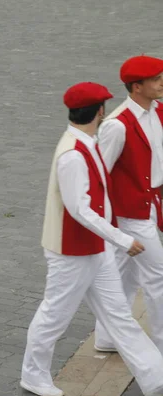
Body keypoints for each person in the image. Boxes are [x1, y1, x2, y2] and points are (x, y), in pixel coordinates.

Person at [21, 82, 163, 396]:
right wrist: (122, 238)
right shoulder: (73, 154)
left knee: (118, 315)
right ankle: (33, 374)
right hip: (71, 253)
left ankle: (156, 378)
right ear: (100, 111)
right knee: (54, 315)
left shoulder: (87, 142)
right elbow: (80, 210)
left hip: (94, 250)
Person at [94, 55, 163, 355]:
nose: (162, 82)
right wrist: (104, 223)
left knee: (125, 274)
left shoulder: (158, 111)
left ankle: (108, 337)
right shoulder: (117, 126)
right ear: (137, 87)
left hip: (151, 205)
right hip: (129, 213)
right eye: (156, 78)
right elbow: (98, 174)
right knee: (158, 276)